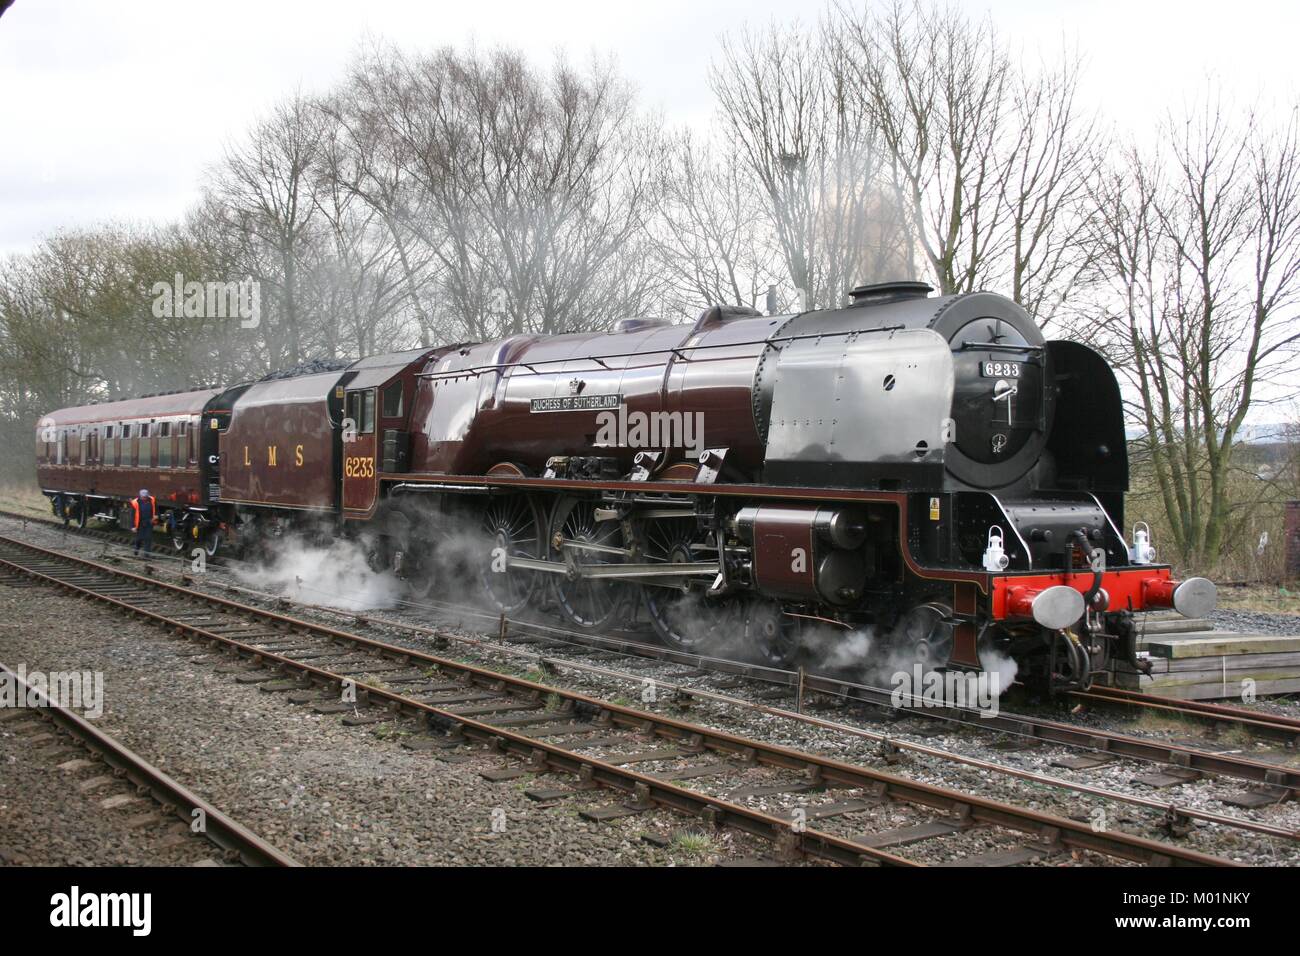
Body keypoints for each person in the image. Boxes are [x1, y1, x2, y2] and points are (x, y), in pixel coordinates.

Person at [130, 488, 156, 557]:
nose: (144, 498)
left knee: (148, 538)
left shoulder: (152, 500)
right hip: (139, 523)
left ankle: (146, 555)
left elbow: (156, 510)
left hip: (149, 522)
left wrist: (156, 516)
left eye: (146, 497)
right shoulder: (135, 502)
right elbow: (132, 515)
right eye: (143, 497)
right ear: (140, 496)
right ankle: (136, 549)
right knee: (139, 538)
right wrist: (133, 526)